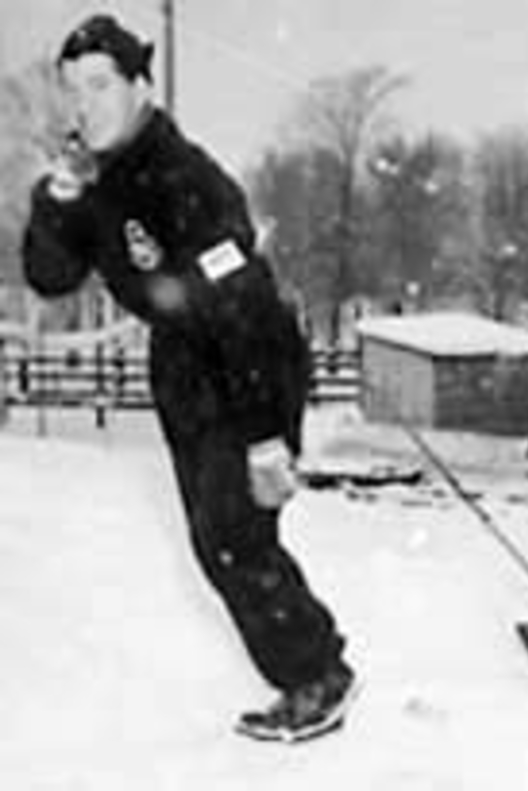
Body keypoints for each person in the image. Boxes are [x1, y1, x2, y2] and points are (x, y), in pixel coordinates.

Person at [22, 14, 357, 741]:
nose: (86, 102)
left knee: (235, 537)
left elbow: (243, 303)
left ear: (140, 86)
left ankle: (316, 676)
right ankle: (316, 666)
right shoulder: (96, 181)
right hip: (183, 364)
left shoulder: (186, 178)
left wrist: (267, 435)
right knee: (220, 541)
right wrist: (56, 201)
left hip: (246, 355)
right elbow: (49, 277)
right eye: (74, 88)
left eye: (102, 84)